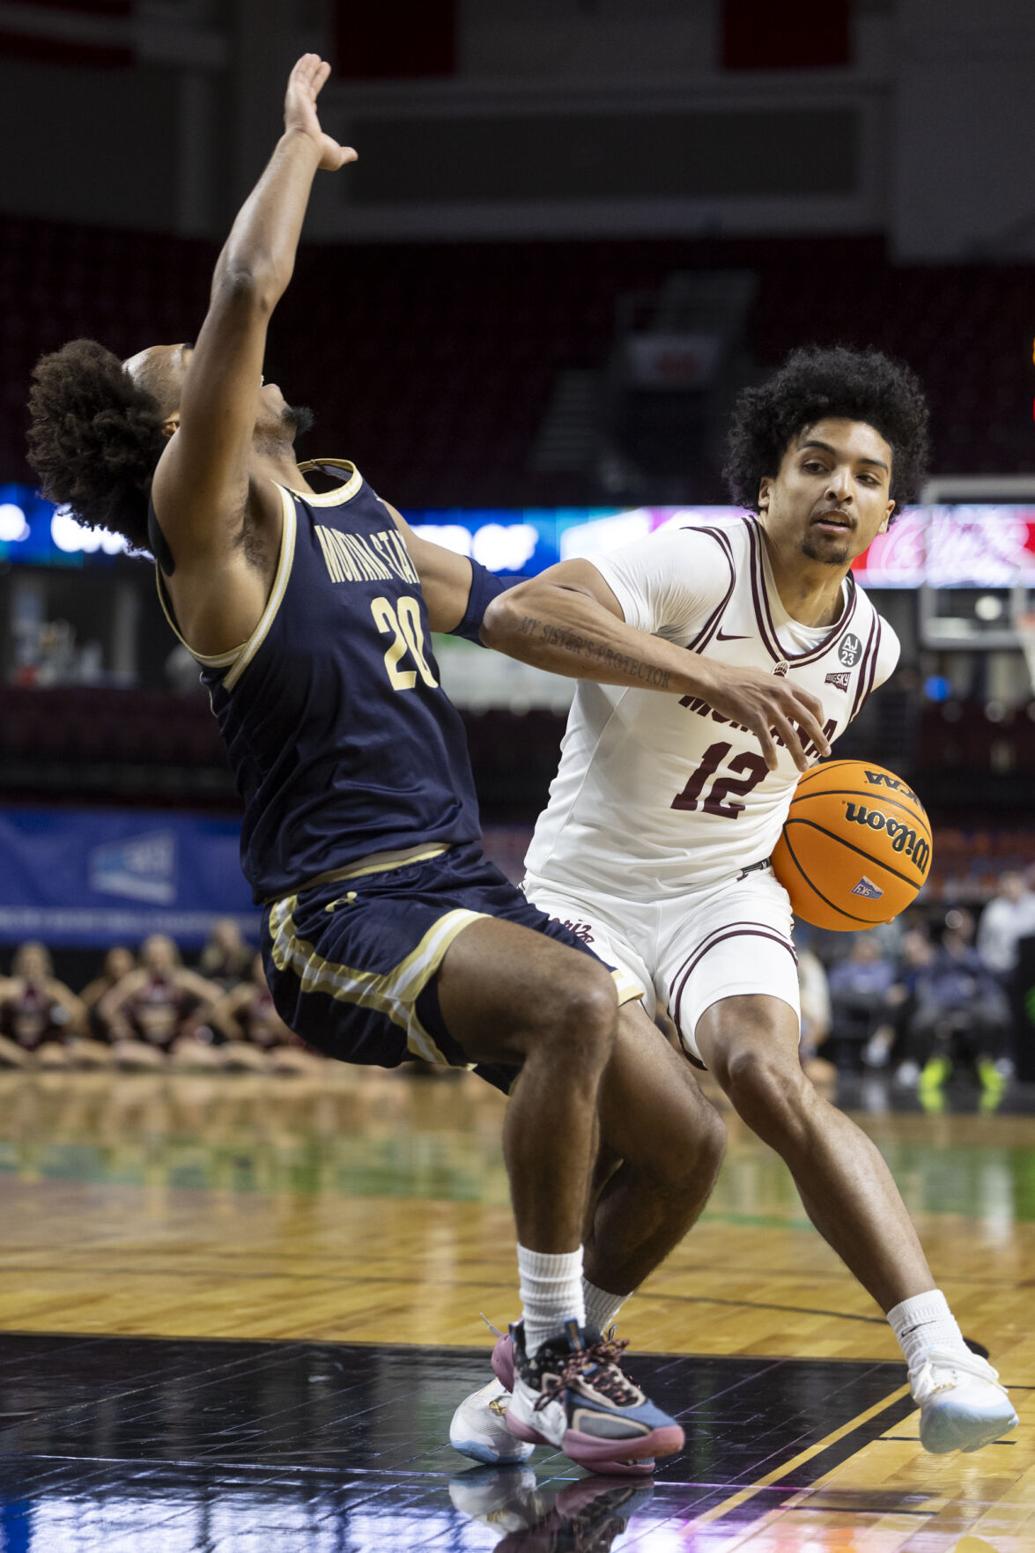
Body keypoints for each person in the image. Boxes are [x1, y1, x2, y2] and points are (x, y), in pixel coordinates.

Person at [27, 55, 830, 1472]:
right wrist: (288, 149)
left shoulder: (359, 514)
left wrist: (705, 673)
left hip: (459, 882)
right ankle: (555, 1358)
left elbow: (521, 616)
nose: (233, 373)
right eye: (199, 379)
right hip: (340, 907)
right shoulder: (207, 537)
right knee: (580, 998)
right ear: (178, 431)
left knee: (690, 1144)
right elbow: (239, 297)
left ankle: (541, 1356)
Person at [454, 345, 1018, 1456]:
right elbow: (519, 611)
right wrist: (705, 673)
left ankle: (940, 1348)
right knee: (667, 1146)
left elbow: (788, 800)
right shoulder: (697, 561)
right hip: (586, 896)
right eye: (817, 464)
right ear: (768, 483)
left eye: (866, 475)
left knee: (767, 1075)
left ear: (888, 510)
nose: (841, 489)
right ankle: (551, 1357)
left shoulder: (872, 644)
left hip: (725, 888)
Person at [98, 934, 222, 1069]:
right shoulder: (137, 980)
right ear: (146, 957)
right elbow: (107, 1006)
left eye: (162, 954)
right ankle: (160, 1063)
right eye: (153, 954)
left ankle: (166, 1063)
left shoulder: (182, 978)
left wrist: (195, 1021)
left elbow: (215, 996)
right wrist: (121, 1026)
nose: (157, 959)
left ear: (171, 956)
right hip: (145, 1044)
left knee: (207, 1058)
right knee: (122, 1053)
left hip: (176, 1042)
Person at [207, 952, 323, 1074]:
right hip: (256, 1050)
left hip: (287, 1051)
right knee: (231, 1053)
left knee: (282, 1059)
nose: (263, 971)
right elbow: (219, 1014)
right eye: (260, 967)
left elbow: (298, 1032)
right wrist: (237, 1034)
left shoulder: (293, 996)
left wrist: (278, 1026)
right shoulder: (249, 994)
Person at [0, 942, 91, 1069]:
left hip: (45, 1046)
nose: (31, 967)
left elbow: (79, 1016)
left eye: (36, 963)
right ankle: (27, 1061)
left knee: (58, 1054)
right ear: (18, 964)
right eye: (27, 963)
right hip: (13, 1047)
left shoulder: (54, 988)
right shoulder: (7, 987)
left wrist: (55, 995)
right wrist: (6, 995)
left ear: (45, 966)